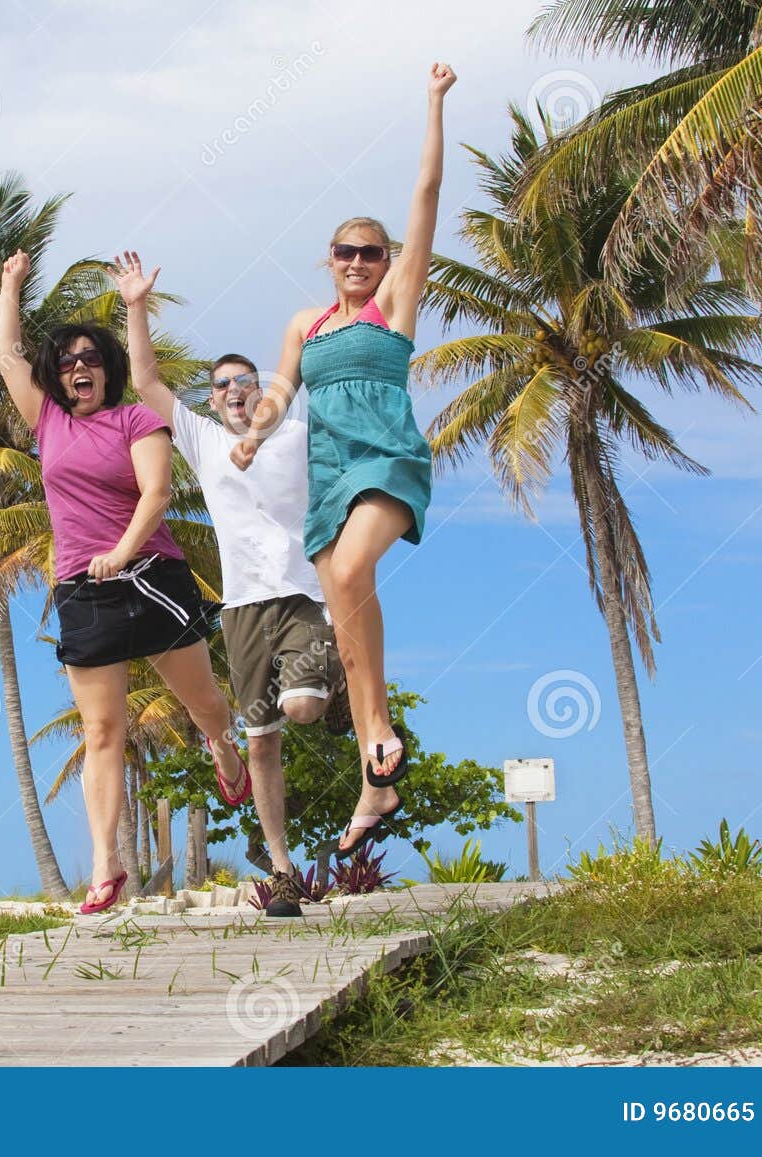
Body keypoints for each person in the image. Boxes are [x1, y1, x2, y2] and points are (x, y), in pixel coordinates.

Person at [232, 62, 456, 860]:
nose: (357, 262)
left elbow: (425, 197)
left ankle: (382, 727)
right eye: (344, 252)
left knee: (356, 571)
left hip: (385, 460)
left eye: (369, 251)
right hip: (330, 475)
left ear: (386, 258)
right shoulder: (307, 321)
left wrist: (431, 103)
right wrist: (257, 430)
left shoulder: (396, 303)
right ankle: (376, 771)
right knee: (349, 624)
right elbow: (282, 384)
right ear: (328, 259)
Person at [0, 248, 251, 916]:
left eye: (92, 358)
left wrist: (122, 550)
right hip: (83, 590)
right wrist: (11, 284)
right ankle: (106, 866)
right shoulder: (48, 421)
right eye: (69, 361)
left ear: (108, 368)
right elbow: (5, 356)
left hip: (151, 577)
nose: (81, 368)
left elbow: (157, 493)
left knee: (205, 708)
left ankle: (228, 756)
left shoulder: (137, 418)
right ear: (59, 374)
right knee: (102, 730)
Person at [115, 252, 344, 919]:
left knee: (301, 705)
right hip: (241, 609)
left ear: (262, 388)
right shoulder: (204, 441)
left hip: (303, 595)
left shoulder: (295, 430)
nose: (235, 391)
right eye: (222, 386)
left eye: (245, 381)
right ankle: (281, 871)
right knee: (262, 739)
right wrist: (135, 305)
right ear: (211, 400)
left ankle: (333, 690)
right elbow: (146, 378)